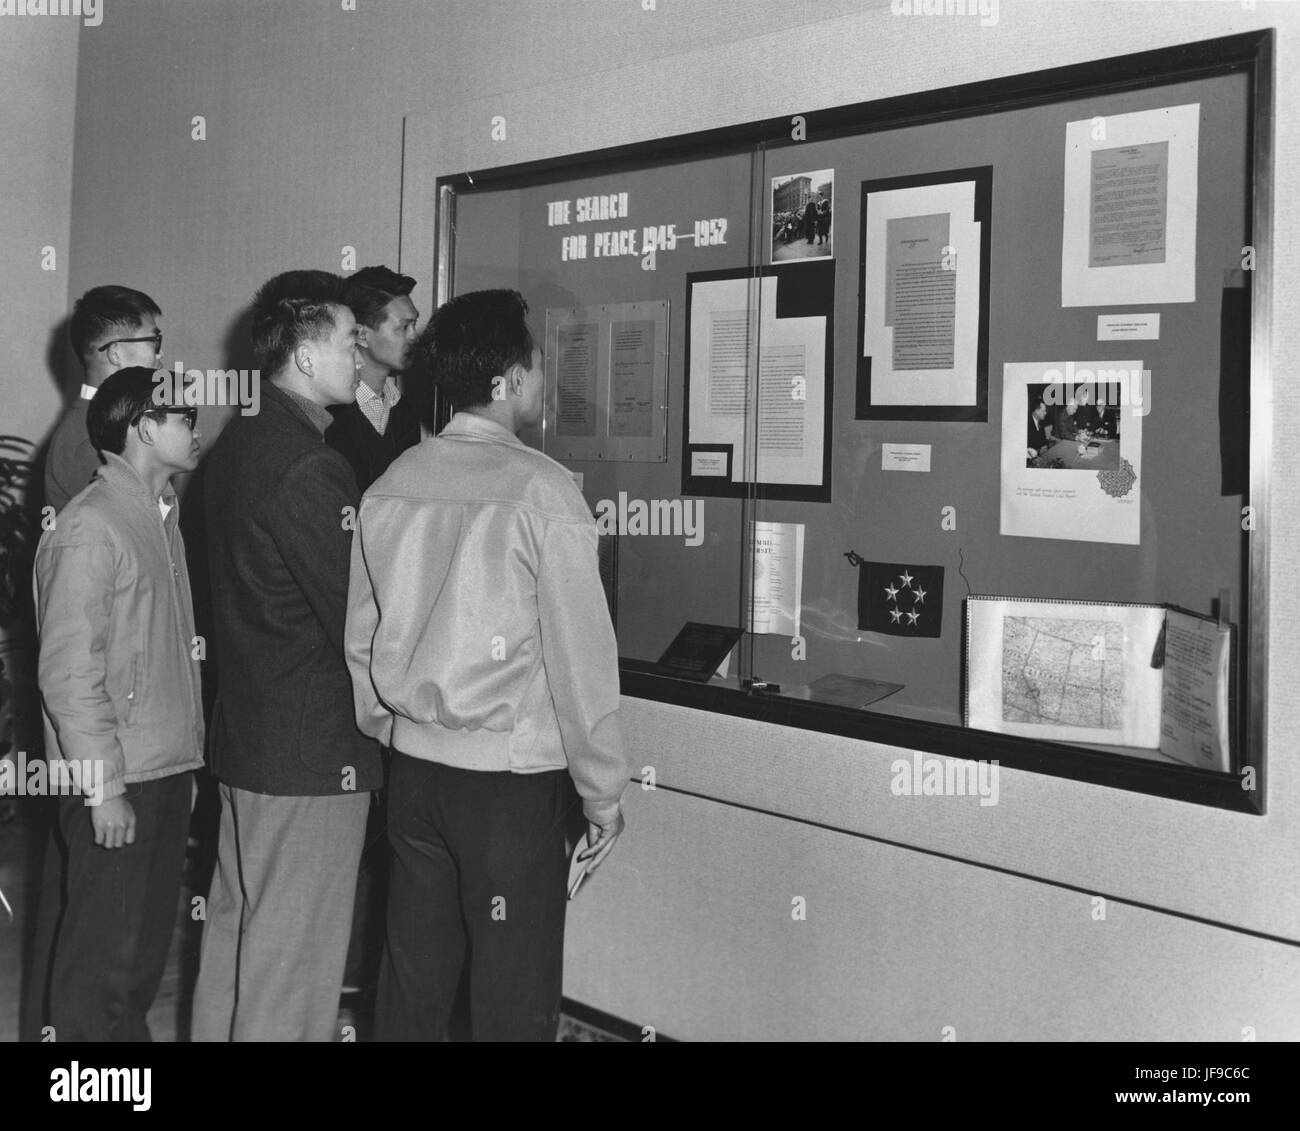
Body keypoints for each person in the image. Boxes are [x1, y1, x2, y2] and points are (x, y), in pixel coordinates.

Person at [346, 288, 629, 1042]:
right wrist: (604, 794)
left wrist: (397, 729)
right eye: (535, 363)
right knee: (512, 999)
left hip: (413, 778)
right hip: (510, 790)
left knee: (411, 986)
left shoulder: (391, 482)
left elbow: (360, 641)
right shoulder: (546, 492)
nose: (541, 377)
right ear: (509, 379)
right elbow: (582, 668)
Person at [192, 270, 383, 1042]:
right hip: (309, 758)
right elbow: (359, 613)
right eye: (349, 339)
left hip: (249, 741)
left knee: (236, 945)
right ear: (304, 356)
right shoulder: (309, 465)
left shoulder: (239, 440)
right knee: (291, 969)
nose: (362, 354)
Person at [32, 365, 204, 1041]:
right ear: (142, 428)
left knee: (133, 971)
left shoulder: (160, 521)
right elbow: (69, 675)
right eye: (183, 416)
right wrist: (103, 788)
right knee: (97, 975)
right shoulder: (92, 527)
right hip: (113, 778)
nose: (197, 426)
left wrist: (180, 770)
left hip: (157, 772)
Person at [45, 286, 163, 513]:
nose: (160, 355)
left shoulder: (108, 423)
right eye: (154, 341)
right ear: (115, 353)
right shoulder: (89, 440)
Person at [325, 265, 422, 492]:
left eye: (414, 325)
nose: (414, 336)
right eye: (404, 327)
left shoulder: (404, 412)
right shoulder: (327, 414)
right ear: (361, 335)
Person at [1027, 396, 1050, 462]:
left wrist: (1044, 446)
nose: (1045, 413)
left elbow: (1044, 440)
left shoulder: (1041, 423)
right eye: (1044, 411)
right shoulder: (1027, 423)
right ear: (1037, 411)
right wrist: (1039, 450)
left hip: (1040, 456)